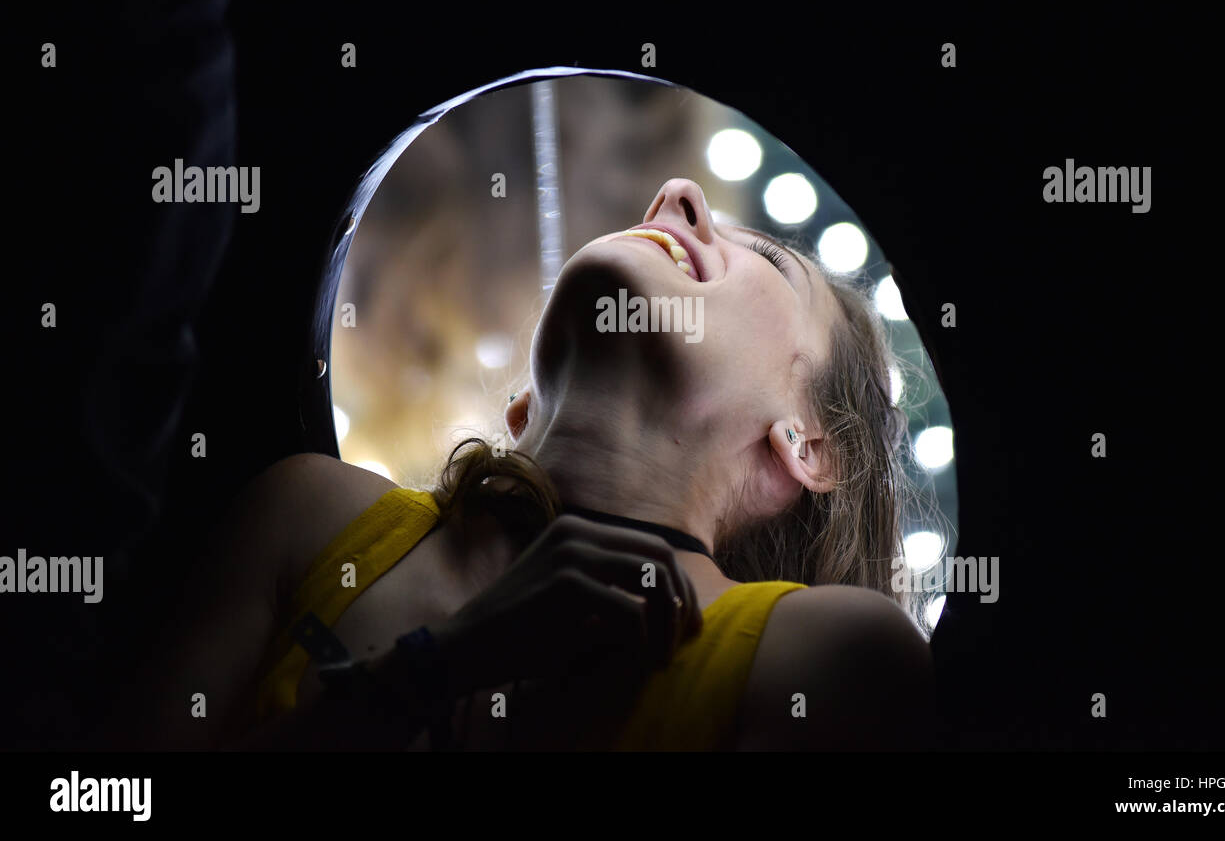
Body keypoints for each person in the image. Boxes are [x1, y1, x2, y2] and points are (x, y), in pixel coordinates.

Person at [112, 178, 935, 751]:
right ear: (523, 411)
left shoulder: (834, 661)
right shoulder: (309, 511)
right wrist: (441, 664)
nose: (677, 195)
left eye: (767, 255)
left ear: (806, 443)